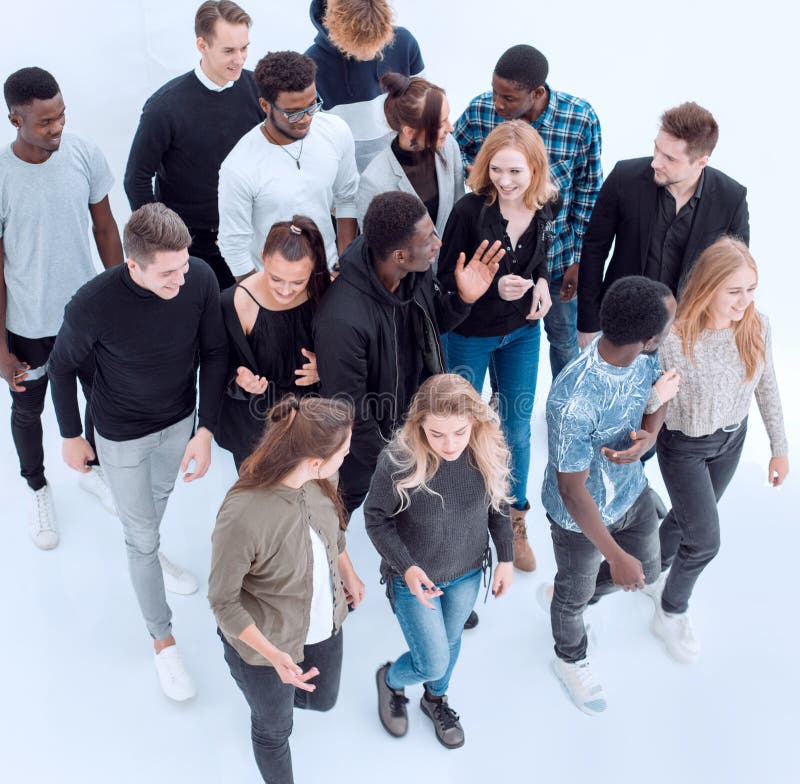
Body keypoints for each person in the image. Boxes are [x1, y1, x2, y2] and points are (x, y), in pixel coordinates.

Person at [47, 204, 228, 701]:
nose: (181, 278)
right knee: (142, 535)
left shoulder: (200, 278)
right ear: (134, 265)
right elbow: (61, 368)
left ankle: (140, 532)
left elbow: (214, 352)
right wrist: (70, 435)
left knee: (152, 507)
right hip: (120, 433)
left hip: (178, 425)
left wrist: (206, 429)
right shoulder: (93, 304)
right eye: (167, 272)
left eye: (184, 265)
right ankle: (163, 641)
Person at [313, 191, 503, 518]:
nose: (438, 243)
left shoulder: (413, 272)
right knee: (334, 518)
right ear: (400, 255)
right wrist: (400, 469)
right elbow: (352, 416)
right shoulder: (341, 321)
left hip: (413, 430)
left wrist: (463, 299)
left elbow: (429, 324)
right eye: (428, 238)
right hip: (365, 457)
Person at [645, 237, 788, 663]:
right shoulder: (674, 337)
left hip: (731, 441)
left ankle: (654, 566)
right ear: (708, 287)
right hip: (684, 445)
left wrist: (779, 448)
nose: (745, 301)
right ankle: (668, 609)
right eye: (735, 291)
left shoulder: (756, 325)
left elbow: (768, 386)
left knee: (684, 519)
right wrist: (655, 394)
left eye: (751, 289)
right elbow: (647, 405)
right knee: (705, 541)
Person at [541, 276, 679, 715]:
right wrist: (615, 557)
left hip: (631, 493)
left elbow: (656, 398)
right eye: (669, 322)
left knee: (651, 567)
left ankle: (574, 597)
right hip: (579, 517)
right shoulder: (574, 397)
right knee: (573, 596)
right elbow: (571, 488)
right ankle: (570, 655)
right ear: (649, 336)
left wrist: (647, 438)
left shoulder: (643, 359)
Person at [209, 395, 364, 783]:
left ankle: (277, 698)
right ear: (314, 460)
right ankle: (258, 695)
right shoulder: (242, 514)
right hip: (266, 649)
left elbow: (334, 532)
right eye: (343, 451)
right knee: (274, 730)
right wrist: (274, 656)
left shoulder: (323, 477)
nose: (348, 455)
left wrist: (348, 571)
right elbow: (223, 601)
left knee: (323, 698)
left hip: (323, 621)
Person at [0, 66, 124, 549]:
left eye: (62, 116)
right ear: (16, 120)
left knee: (100, 399)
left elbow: (107, 229)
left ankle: (92, 472)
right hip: (28, 324)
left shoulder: (84, 154)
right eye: (45, 122)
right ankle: (37, 486)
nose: (58, 128)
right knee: (28, 410)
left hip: (88, 317)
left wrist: (122, 297)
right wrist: (2, 347)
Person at [365, 374, 514, 749]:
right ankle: (391, 681)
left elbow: (498, 506)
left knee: (448, 645)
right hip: (414, 578)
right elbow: (376, 518)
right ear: (419, 426)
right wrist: (407, 566)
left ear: (475, 424)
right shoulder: (398, 460)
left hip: (466, 573)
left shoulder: (485, 450)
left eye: (459, 432)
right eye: (437, 434)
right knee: (431, 661)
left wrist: (506, 559)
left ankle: (435, 700)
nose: (450, 445)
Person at [439, 121, 558, 572]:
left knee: (517, 426)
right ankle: (461, 519)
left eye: (516, 173)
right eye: (497, 170)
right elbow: (443, 280)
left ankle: (513, 518)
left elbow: (545, 256)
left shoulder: (546, 207)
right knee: (459, 426)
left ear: (535, 171)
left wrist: (542, 283)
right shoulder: (470, 211)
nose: (505, 182)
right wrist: (491, 289)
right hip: (469, 332)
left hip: (523, 332)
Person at [454, 44, 602, 377]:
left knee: (564, 338)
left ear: (536, 93)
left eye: (507, 98)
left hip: (557, 256)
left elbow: (589, 191)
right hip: (497, 258)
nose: (497, 104)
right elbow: (449, 152)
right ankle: (496, 402)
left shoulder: (579, 119)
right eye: (494, 93)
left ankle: (567, 410)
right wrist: (484, 176)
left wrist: (579, 259)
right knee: (497, 335)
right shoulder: (480, 111)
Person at [578, 102, 750, 344]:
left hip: (688, 332)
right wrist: (587, 324)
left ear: (701, 162)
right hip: (621, 323)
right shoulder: (624, 177)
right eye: (656, 149)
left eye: (669, 158)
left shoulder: (731, 197)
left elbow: (733, 270)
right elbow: (594, 248)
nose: (655, 162)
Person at [124, 0, 262, 291]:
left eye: (244, 48)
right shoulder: (165, 108)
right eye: (228, 51)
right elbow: (136, 179)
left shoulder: (258, 89)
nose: (239, 59)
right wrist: (163, 241)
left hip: (251, 234)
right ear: (202, 45)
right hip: (192, 247)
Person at [218, 50, 358, 275]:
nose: (306, 119)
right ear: (265, 105)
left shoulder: (336, 131)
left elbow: (347, 199)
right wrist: (258, 299)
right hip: (276, 287)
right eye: (293, 113)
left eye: (312, 106)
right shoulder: (239, 167)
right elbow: (234, 247)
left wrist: (343, 265)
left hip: (330, 275)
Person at [216, 216, 330, 468]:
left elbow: (352, 351)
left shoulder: (325, 292)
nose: (286, 291)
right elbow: (216, 367)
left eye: (298, 282)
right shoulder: (235, 303)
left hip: (313, 419)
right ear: (262, 258)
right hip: (258, 427)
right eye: (276, 278)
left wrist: (325, 368)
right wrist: (240, 381)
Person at [355, 72, 464, 267]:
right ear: (409, 131)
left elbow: (459, 210)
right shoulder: (374, 182)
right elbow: (379, 255)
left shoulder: (449, 147)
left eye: (448, 118)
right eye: (441, 123)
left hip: (453, 270)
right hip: (411, 283)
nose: (451, 128)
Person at [306, 0, 425, 172]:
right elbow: (316, 146)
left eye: (379, 45)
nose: (372, 54)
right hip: (353, 181)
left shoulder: (404, 42)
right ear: (338, 33)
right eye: (361, 48)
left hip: (410, 168)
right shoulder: (312, 67)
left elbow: (426, 106)